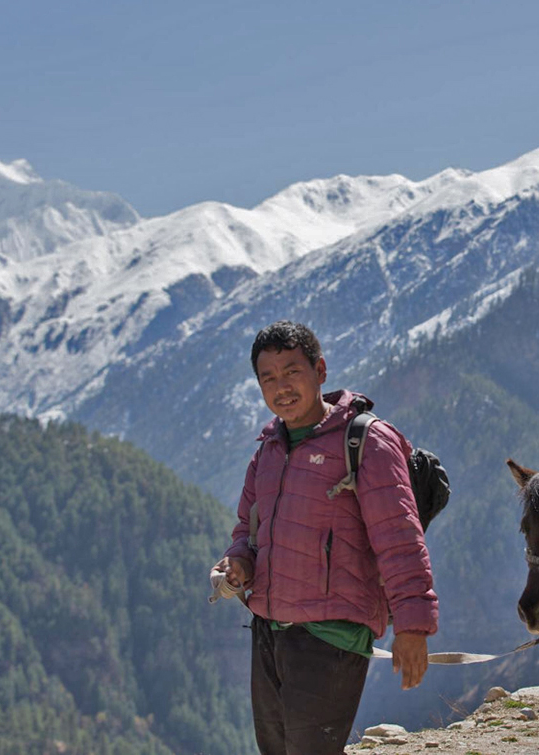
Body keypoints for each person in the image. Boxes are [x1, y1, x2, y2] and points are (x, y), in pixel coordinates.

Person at [212, 320, 438, 754]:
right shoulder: (268, 451)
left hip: (331, 637)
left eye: (292, 371)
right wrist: (237, 562)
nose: (281, 387)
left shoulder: (366, 441)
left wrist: (413, 627)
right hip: (269, 631)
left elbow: (400, 540)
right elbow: (247, 530)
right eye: (268, 378)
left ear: (320, 370)